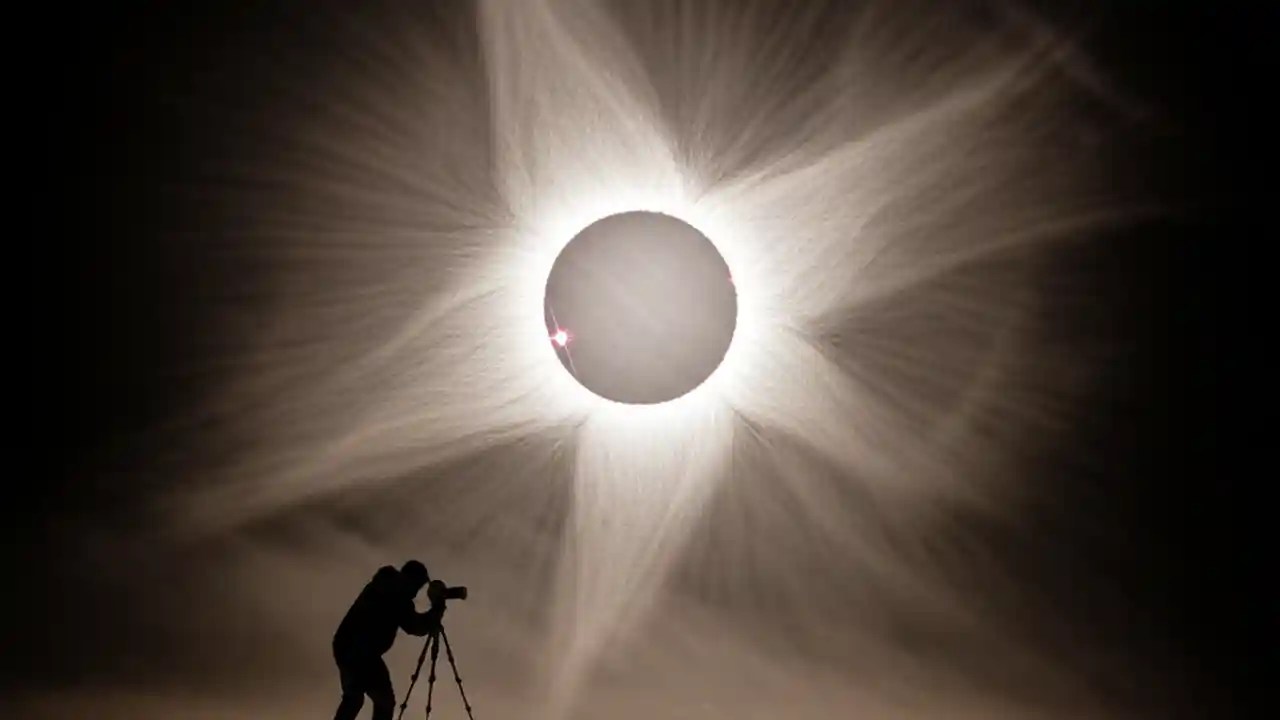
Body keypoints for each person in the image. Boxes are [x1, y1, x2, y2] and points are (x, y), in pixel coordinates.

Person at [332, 560, 445, 720]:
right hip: (363, 652)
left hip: (345, 646)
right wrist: (437, 608)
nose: (416, 591)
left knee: (354, 698)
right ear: (411, 579)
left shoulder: (383, 585)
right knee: (383, 701)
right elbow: (415, 627)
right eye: (418, 585)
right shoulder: (398, 595)